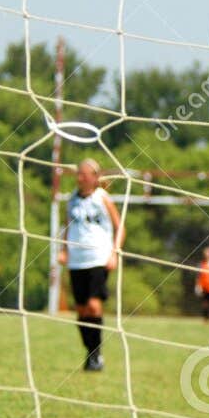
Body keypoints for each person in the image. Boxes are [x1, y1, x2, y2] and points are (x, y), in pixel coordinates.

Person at [59, 158, 123, 371]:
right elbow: (67, 228)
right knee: (81, 310)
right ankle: (90, 350)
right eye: (78, 173)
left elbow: (119, 226)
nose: (80, 177)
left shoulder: (102, 198)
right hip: (77, 261)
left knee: (94, 306)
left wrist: (114, 253)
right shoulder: (72, 200)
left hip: (98, 258)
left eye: (85, 174)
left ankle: (96, 356)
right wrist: (63, 250)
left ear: (95, 177)